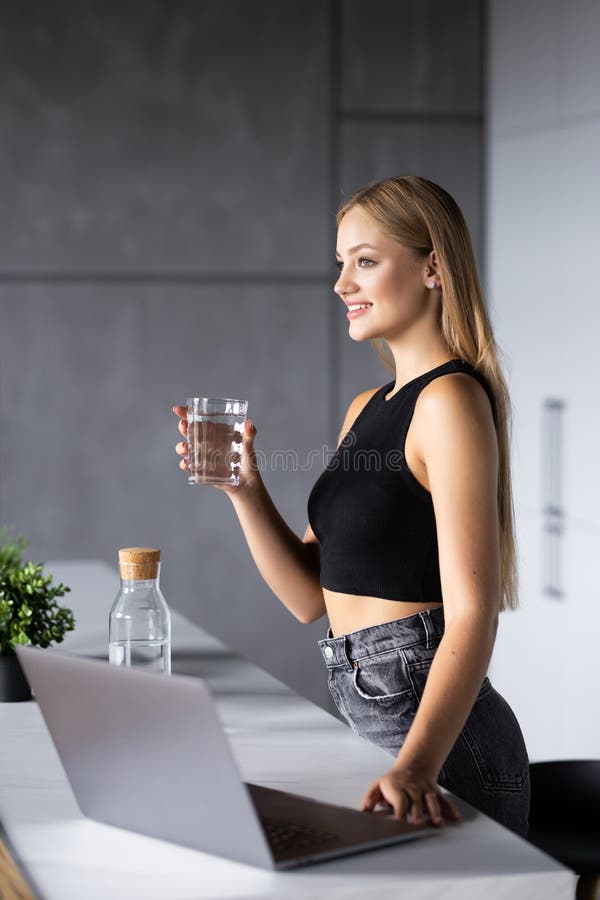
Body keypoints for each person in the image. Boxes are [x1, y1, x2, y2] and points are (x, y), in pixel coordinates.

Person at [173, 175, 530, 837]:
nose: (342, 285)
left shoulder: (449, 403)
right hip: (374, 713)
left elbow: (473, 614)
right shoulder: (367, 409)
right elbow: (311, 597)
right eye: (341, 264)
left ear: (432, 267)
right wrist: (245, 491)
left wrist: (417, 767)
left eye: (364, 262)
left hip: (441, 747)